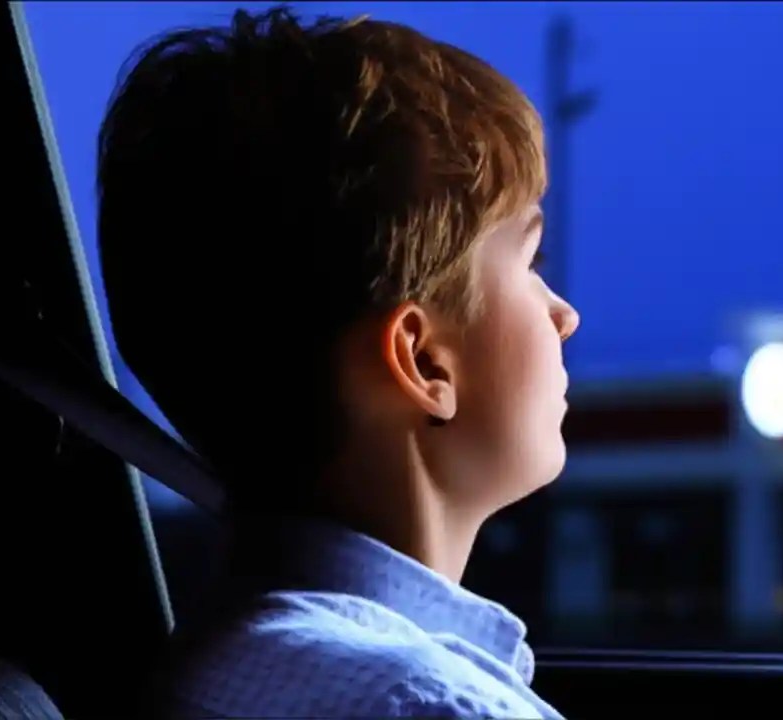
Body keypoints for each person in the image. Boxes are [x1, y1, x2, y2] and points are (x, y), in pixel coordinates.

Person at [96, 5, 579, 718]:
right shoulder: (433, 704)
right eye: (529, 259)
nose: (564, 315)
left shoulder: (224, 658)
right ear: (422, 361)